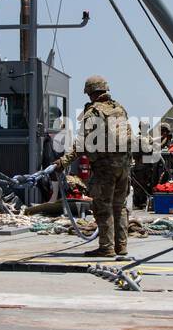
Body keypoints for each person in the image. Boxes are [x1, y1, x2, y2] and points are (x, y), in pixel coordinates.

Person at [53, 75, 134, 258]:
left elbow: (81, 144)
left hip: (105, 168)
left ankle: (106, 247)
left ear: (90, 93)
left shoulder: (94, 113)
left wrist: (63, 162)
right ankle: (121, 246)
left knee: (103, 207)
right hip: (124, 167)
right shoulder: (119, 109)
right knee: (119, 207)